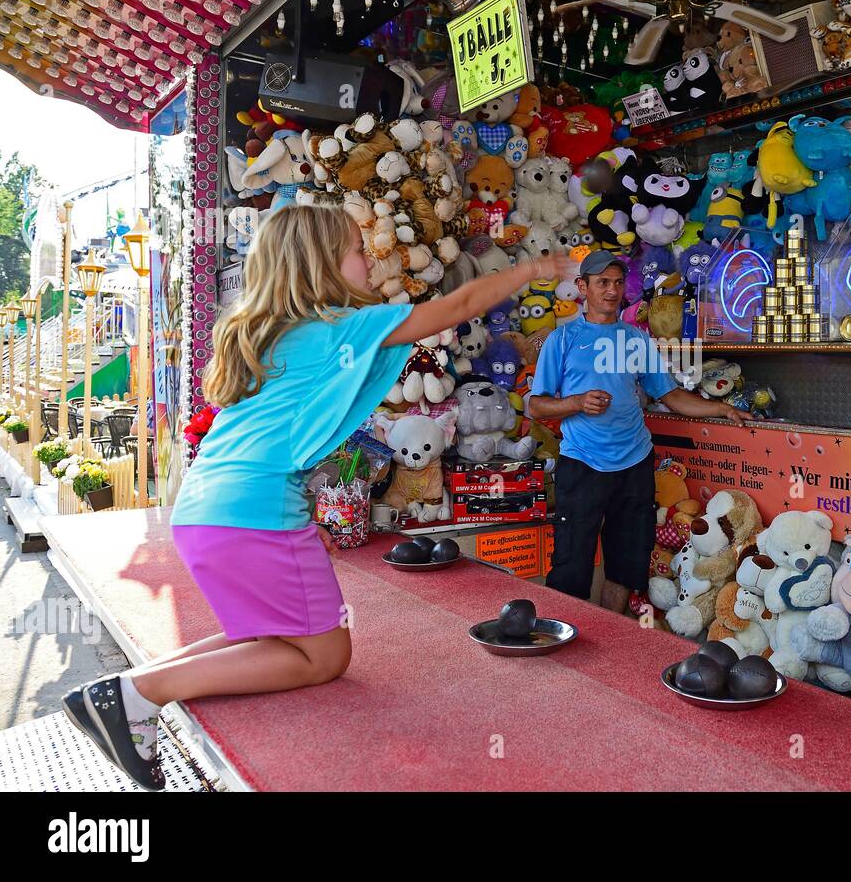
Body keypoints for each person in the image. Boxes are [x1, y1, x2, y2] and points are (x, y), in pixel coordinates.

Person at [62, 204, 569, 790]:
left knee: (267, 637)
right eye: (357, 249)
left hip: (207, 511)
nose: (369, 258)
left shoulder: (272, 335)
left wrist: (302, 519)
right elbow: (456, 308)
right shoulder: (337, 330)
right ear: (322, 263)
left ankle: (122, 693)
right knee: (323, 657)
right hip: (252, 513)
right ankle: (141, 692)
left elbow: (277, 437)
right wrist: (535, 269)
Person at [530, 250, 748, 616]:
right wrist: (577, 402)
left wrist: (721, 408)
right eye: (602, 282)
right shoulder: (563, 339)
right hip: (582, 462)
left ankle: (611, 636)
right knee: (570, 563)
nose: (612, 290)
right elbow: (536, 406)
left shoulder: (636, 338)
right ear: (582, 287)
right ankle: (565, 635)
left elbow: (670, 395)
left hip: (634, 462)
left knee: (628, 562)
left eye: (618, 283)